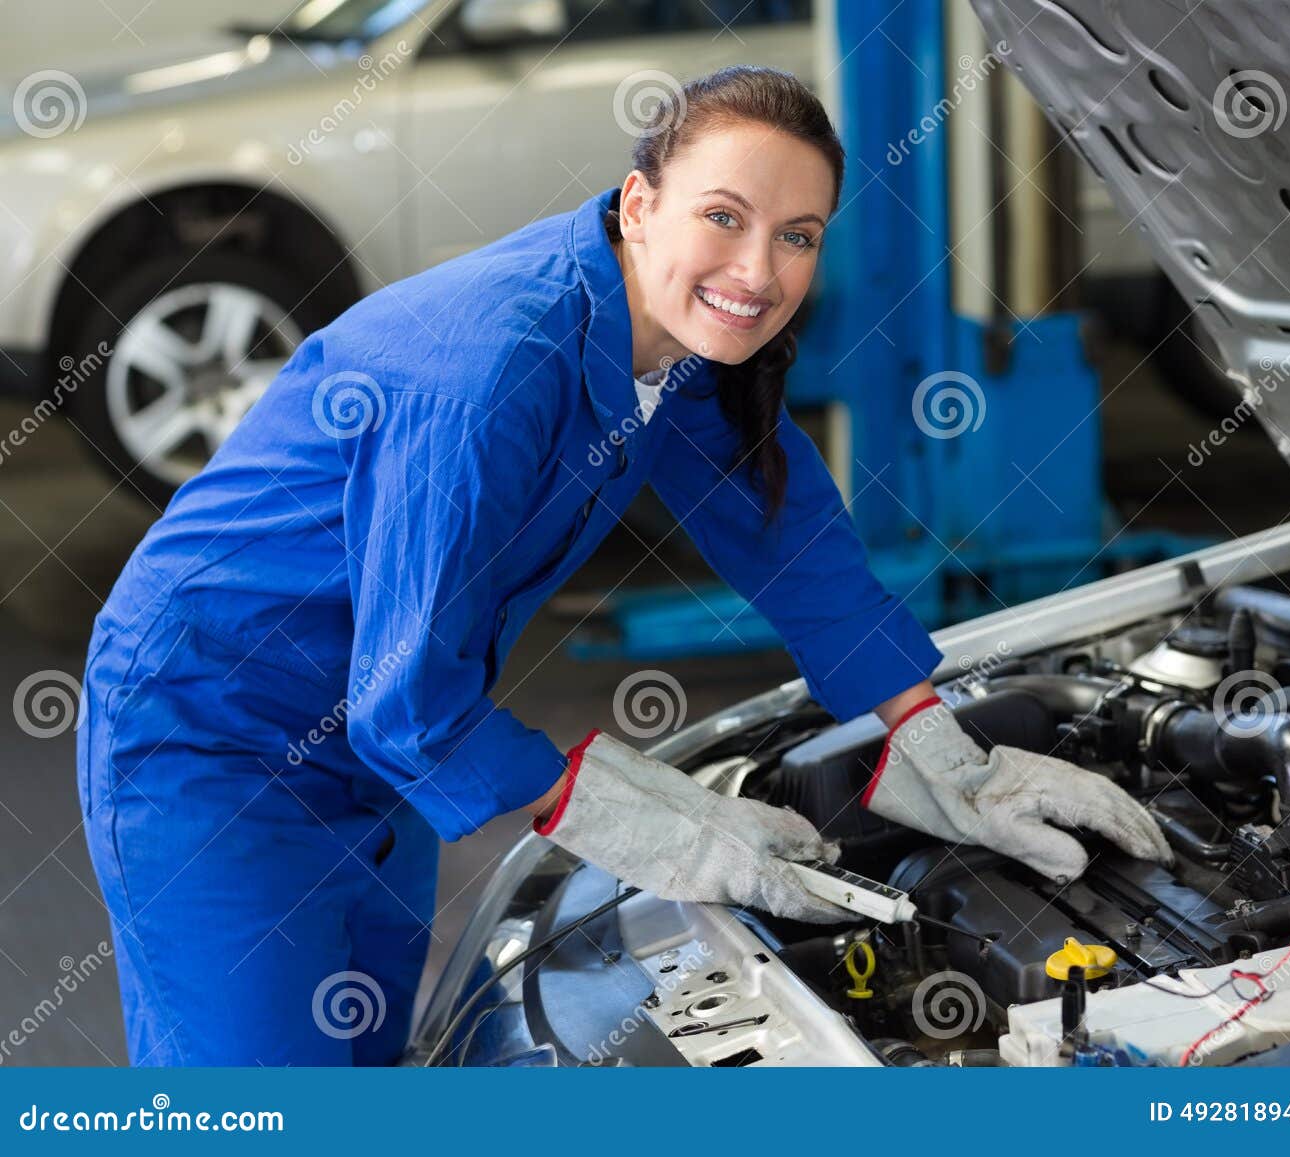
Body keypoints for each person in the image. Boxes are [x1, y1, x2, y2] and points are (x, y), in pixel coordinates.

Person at [77, 66, 1170, 1067]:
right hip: (209, 736)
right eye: (724, 217)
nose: (758, 270)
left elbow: (789, 540)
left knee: (361, 1066)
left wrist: (936, 741)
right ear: (638, 203)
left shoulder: (673, 343)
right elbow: (409, 705)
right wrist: (660, 824)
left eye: (797, 235)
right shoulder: (495, 368)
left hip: (368, 744)